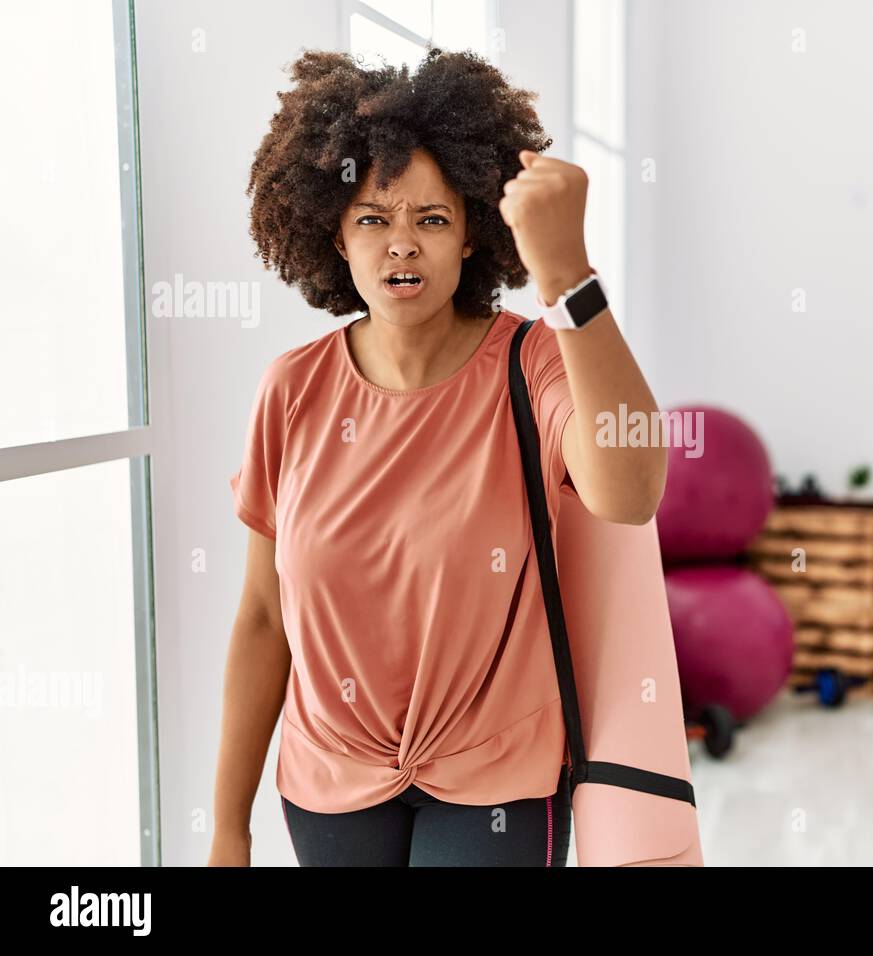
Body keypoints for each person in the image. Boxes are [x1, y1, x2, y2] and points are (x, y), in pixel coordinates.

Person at [208, 47, 666, 866]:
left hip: (498, 781)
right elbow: (263, 617)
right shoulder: (291, 390)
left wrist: (570, 276)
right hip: (329, 782)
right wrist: (226, 830)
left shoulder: (532, 364)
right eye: (373, 220)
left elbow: (630, 491)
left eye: (432, 218)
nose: (401, 246)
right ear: (335, 239)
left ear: (472, 238)